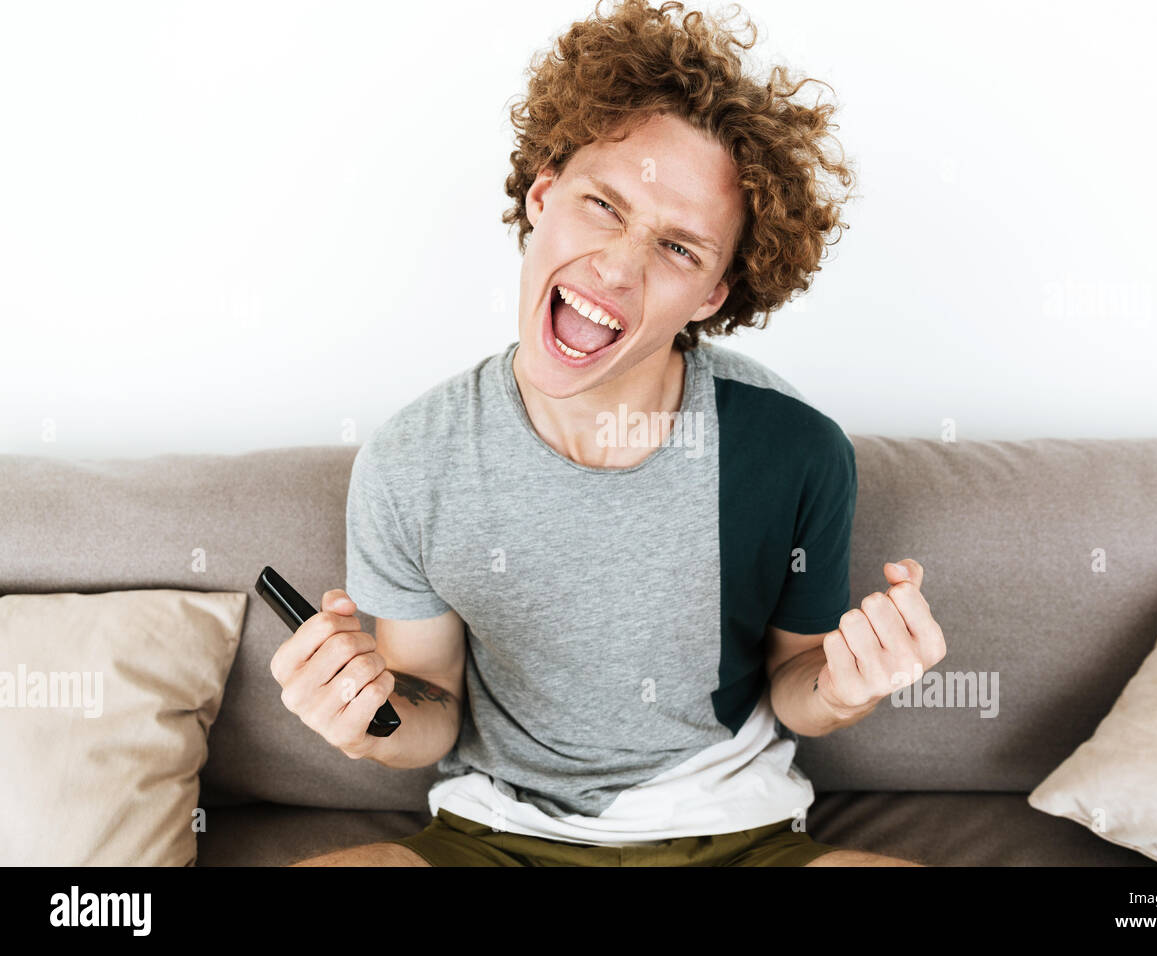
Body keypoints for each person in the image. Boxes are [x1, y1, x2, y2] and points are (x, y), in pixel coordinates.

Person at [273, 0, 945, 867]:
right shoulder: (412, 461)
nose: (616, 269)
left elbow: (797, 681)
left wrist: (849, 689)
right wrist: (370, 721)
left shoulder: (795, 448)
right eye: (601, 205)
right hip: (503, 838)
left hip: (736, 837)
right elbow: (430, 710)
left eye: (679, 248)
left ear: (713, 296)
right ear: (544, 193)